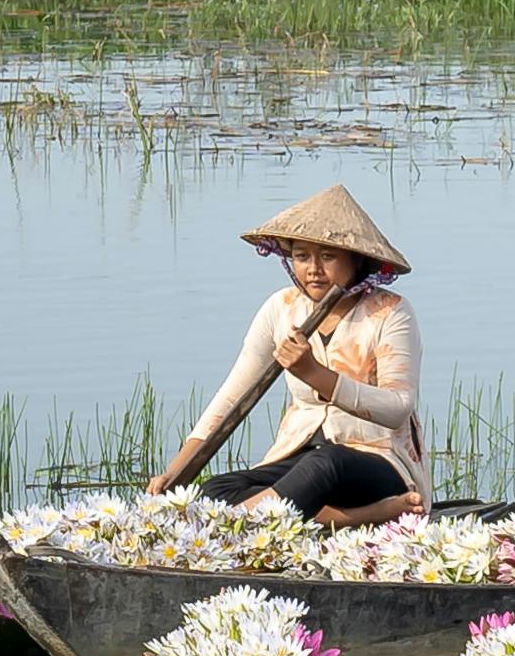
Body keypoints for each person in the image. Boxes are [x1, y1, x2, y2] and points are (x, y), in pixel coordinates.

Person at [156, 184, 427, 520]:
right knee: (214, 490)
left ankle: (226, 528)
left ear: (356, 260)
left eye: (327, 256)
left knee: (326, 464)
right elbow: (231, 399)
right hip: (300, 458)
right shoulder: (281, 308)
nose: (313, 269)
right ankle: (368, 515)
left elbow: (398, 408)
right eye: (301, 256)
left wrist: (315, 374)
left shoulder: (391, 312)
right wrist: (175, 473)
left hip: (379, 462)